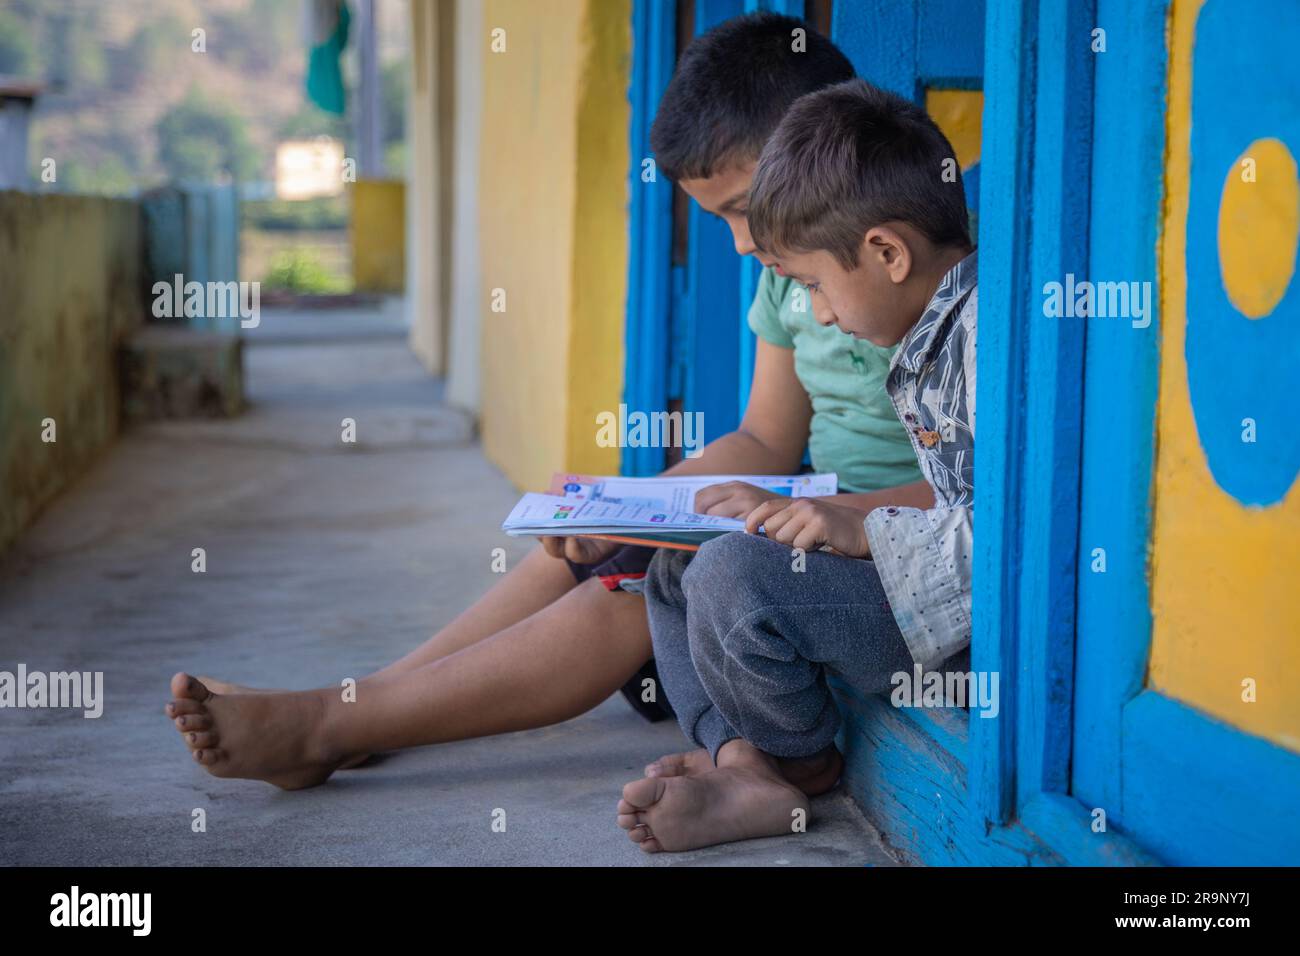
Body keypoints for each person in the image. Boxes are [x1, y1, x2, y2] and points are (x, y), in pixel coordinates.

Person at [163, 15, 933, 792]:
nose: (741, 242)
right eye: (725, 218)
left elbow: (965, 489)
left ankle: (330, 725)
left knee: (629, 589)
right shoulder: (785, 278)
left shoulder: (908, 272)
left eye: (743, 207)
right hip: (809, 507)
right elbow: (766, 437)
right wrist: (629, 505)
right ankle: (358, 703)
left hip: (873, 543)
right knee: (598, 544)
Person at [618, 78, 978, 853]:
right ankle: (742, 760)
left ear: (886, 252)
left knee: (732, 580)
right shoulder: (924, 334)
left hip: (955, 622)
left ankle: (797, 765)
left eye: (816, 283)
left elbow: (1009, 530)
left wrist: (868, 530)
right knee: (679, 570)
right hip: (910, 575)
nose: (816, 311)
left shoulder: (988, 342)